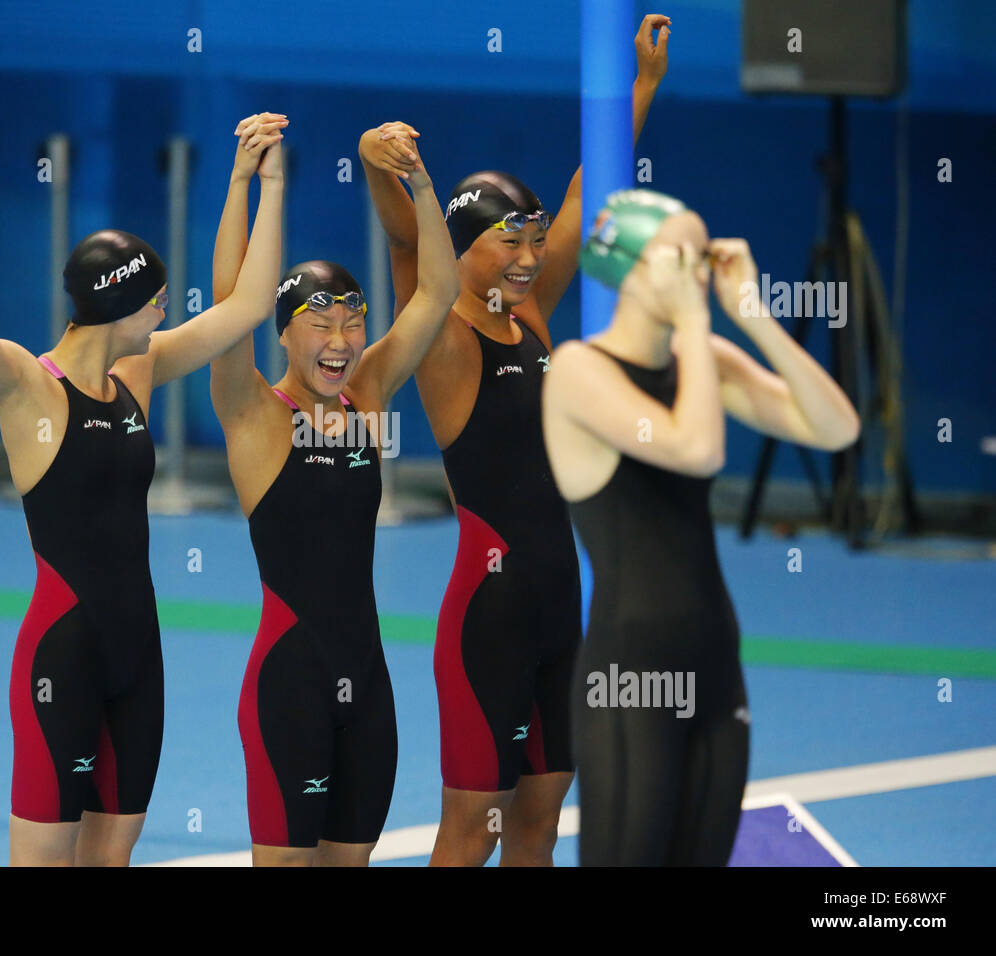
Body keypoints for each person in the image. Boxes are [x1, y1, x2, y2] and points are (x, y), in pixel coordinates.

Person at [0, 111, 286, 866]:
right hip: (63, 657)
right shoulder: (29, 387)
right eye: (155, 297)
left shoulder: (139, 371)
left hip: (138, 654)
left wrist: (256, 180)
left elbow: (248, 309)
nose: (165, 309)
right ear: (119, 303)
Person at [358, 14, 671, 866]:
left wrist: (640, 86)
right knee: (474, 828)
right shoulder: (445, 336)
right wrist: (374, 153)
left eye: (534, 240)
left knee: (538, 820)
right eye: (511, 241)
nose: (531, 256)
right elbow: (399, 232)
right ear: (462, 251)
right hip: (487, 614)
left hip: (557, 601)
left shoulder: (524, 312)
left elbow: (585, 201)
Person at [542, 188, 860, 864]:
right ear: (628, 269)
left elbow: (836, 428)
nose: (697, 273)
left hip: (716, 664)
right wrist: (694, 324)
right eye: (679, 257)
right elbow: (696, 448)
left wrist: (755, 318)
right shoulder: (576, 371)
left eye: (701, 255)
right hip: (631, 677)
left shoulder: (701, 360)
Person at [209, 123, 459, 866]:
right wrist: (251, 184)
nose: (342, 340)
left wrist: (418, 178)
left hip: (368, 680)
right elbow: (230, 304)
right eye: (321, 324)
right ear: (285, 333)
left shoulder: (368, 396)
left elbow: (439, 291)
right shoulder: (256, 415)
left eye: (353, 323)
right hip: (290, 681)